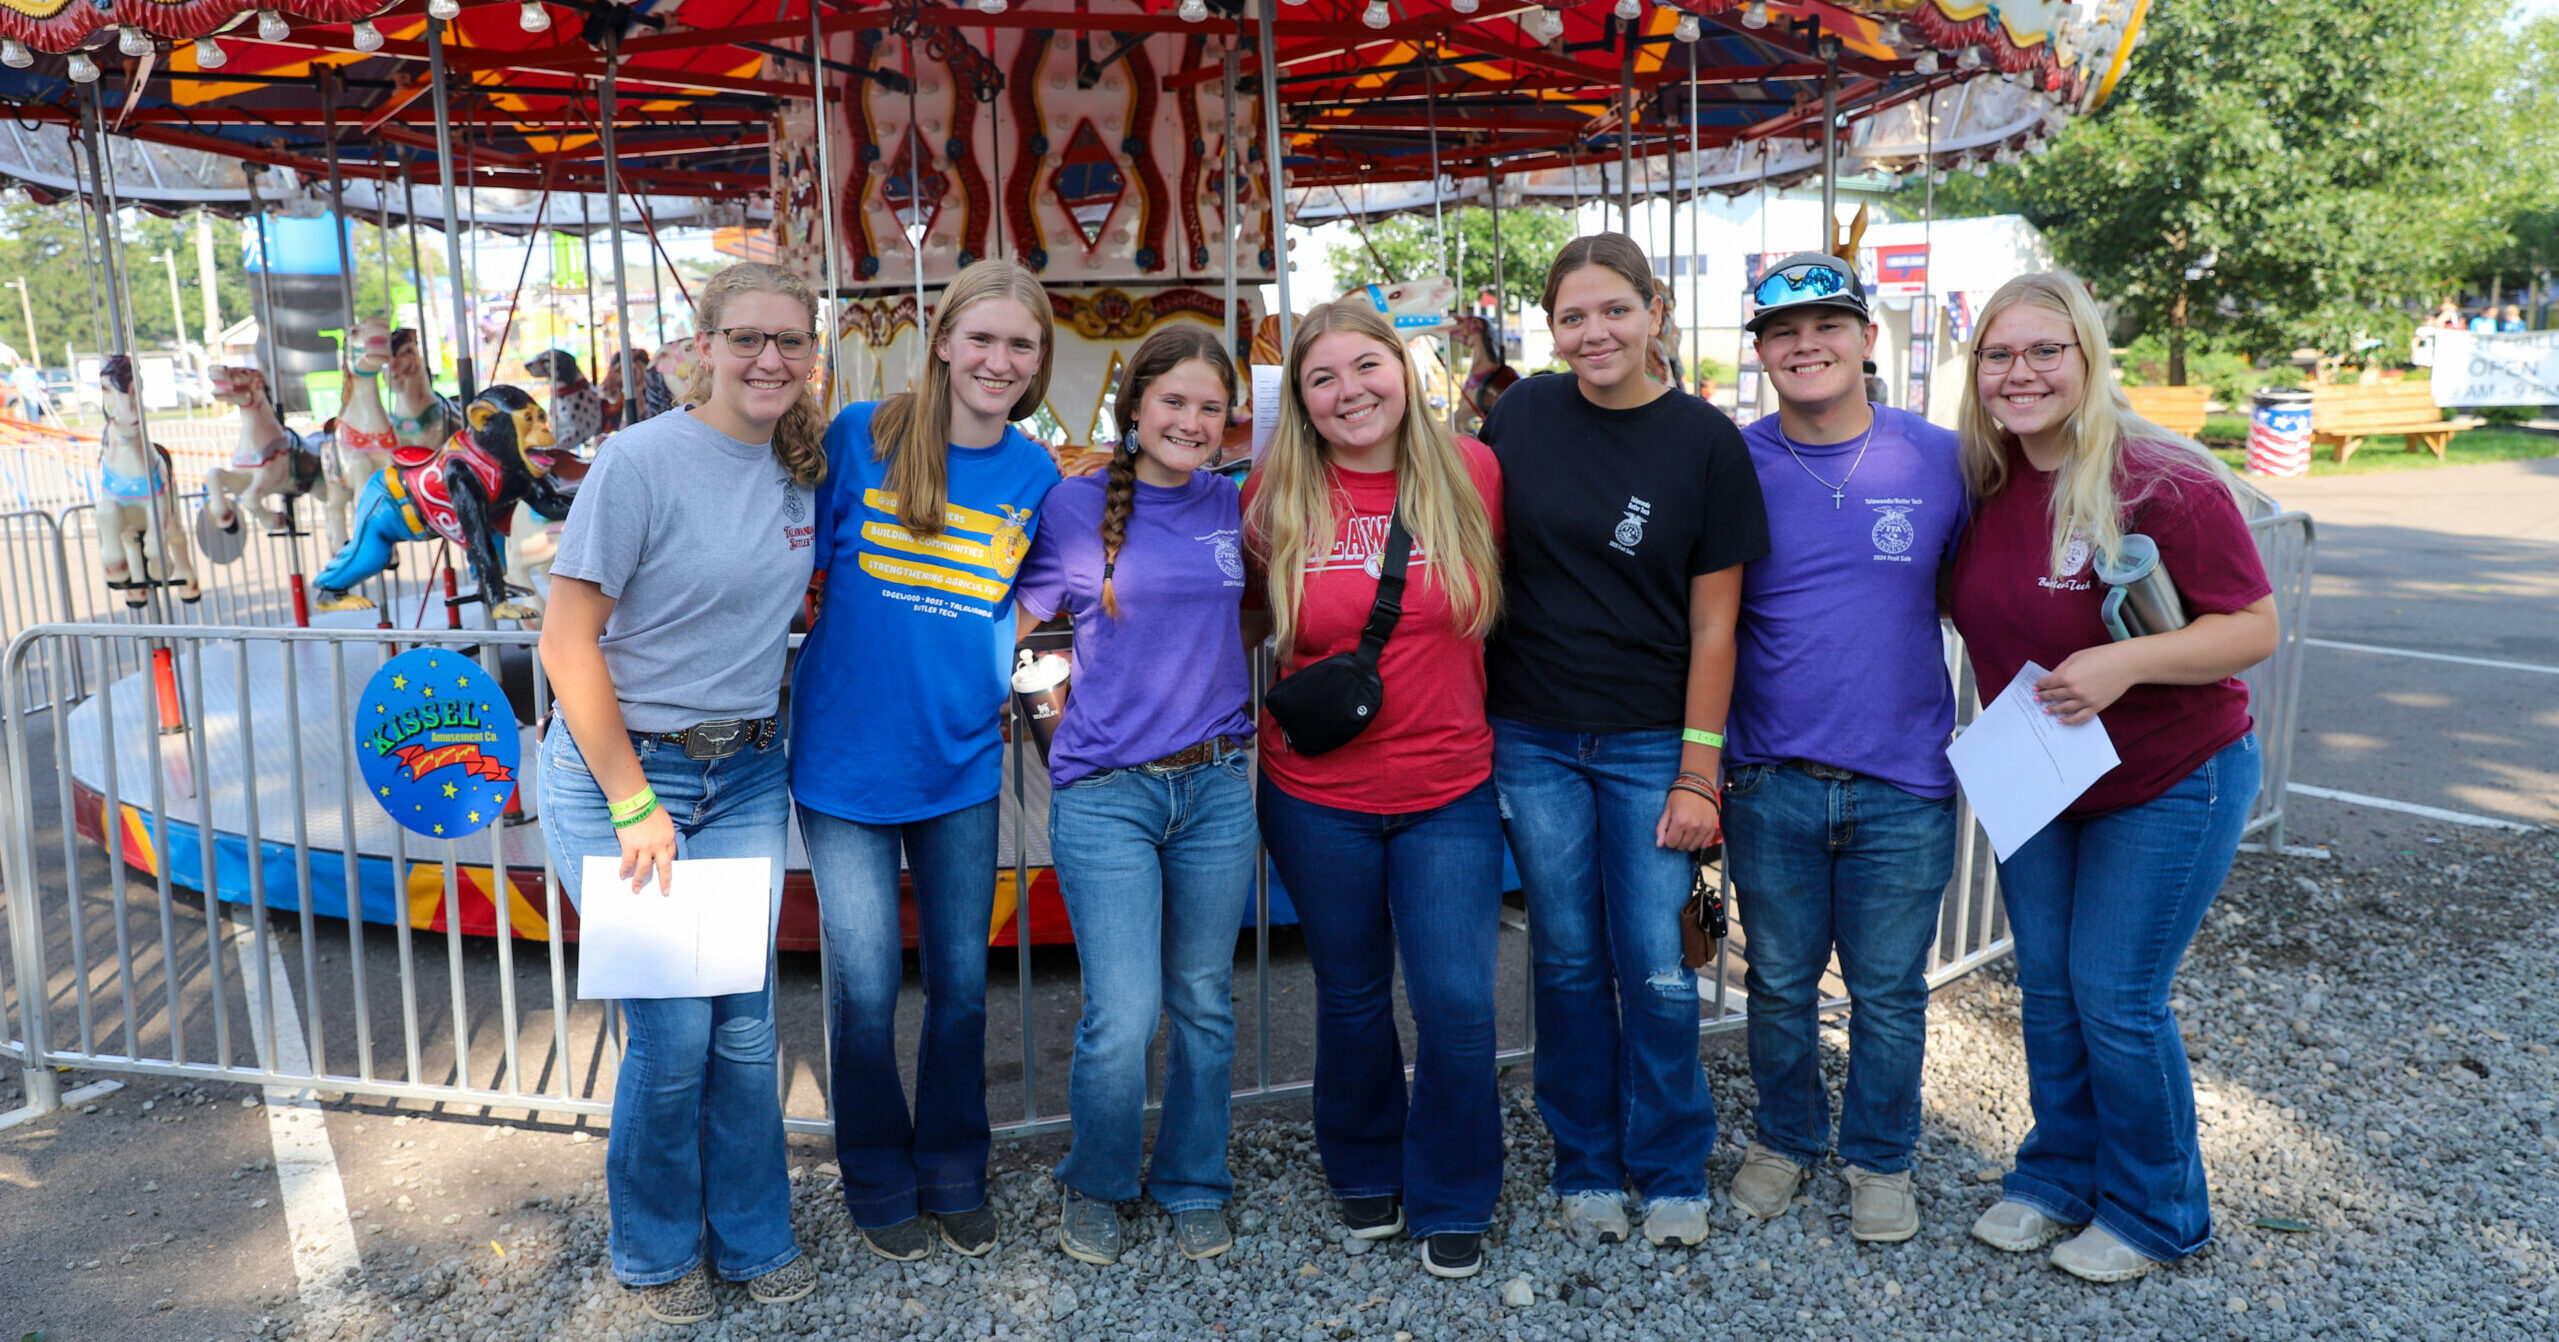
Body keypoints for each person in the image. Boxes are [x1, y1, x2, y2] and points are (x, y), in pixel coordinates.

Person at [1949, 272, 2277, 1282]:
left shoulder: (2159, 479)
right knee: (2047, 989)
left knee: (2115, 993)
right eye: (2000, 354)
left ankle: (2156, 1207)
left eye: (2046, 351)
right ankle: (2058, 1173)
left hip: (2171, 772)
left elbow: (2256, 627)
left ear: (2088, 358)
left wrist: (2124, 661)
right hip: (2042, 773)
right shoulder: (1986, 480)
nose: (2022, 373)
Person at [534, 261, 827, 1324]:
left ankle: (753, 1234)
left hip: (745, 768)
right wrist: (629, 800)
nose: (769, 359)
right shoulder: (639, 461)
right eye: (746, 338)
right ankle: (655, 1250)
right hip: (628, 770)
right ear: (702, 346)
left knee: (745, 1028)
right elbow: (567, 640)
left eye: (790, 340)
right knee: (673, 1034)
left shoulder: (804, 463)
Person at [1475, 233, 1766, 1249]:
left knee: (1654, 962)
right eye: (1571, 316)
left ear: (1655, 312)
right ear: (1549, 328)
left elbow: (1716, 626)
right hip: (1535, 734)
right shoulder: (1520, 414)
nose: (1593, 333)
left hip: (1652, 741)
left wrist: (1699, 769)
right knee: (1563, 957)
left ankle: (1672, 1163)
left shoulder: (1705, 443)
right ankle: (1586, 1162)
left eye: (1613, 311)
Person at [791, 257, 1062, 1262]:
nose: (999, 359)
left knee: (958, 981)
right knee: (863, 987)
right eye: (982, 337)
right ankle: (876, 1171)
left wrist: (1026, 693)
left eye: (1020, 345)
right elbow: (786, 557)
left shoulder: (1035, 473)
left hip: (958, 760)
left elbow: (1036, 605)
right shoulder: (865, 435)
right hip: (847, 759)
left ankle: (954, 1163)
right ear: (943, 339)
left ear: (1038, 364)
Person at [1246, 298, 1507, 1279]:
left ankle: (1453, 1184)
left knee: (1456, 1003)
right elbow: (1227, 615)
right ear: (1301, 401)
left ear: (1403, 371)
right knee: (1352, 996)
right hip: (1318, 795)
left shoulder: (1472, 473)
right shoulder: (1272, 493)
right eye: (1323, 378)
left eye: (1367, 368)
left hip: (1448, 785)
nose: (1350, 391)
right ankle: (1361, 1162)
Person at [1719, 247, 1963, 1243]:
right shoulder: (1731, 462)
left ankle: (1880, 1156)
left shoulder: (1944, 458)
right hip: (1772, 777)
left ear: (1868, 339)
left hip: (1904, 783)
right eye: (1783, 331)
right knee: (1775, 985)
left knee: (1889, 992)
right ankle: (1784, 1138)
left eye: (1826, 325)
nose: (1805, 343)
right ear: (1764, 354)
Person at [1012, 325, 1258, 1266]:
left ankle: (1194, 1179)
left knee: (1203, 999)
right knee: (1124, 1011)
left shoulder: (1232, 503)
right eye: (1174, 402)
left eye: (1209, 406)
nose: (1192, 422)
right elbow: (1022, 631)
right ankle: (1099, 1179)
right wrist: (1058, 739)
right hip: (1109, 796)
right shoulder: (1075, 508)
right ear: (1136, 405)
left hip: (1217, 784)